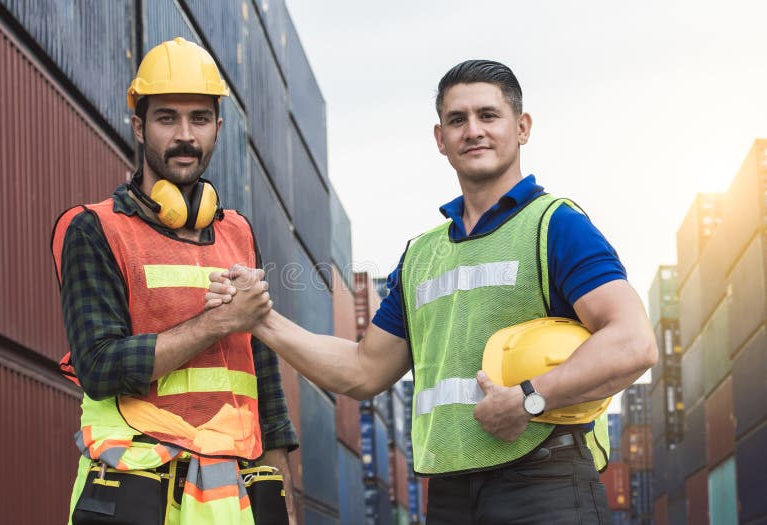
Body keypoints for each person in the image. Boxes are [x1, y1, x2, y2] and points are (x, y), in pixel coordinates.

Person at [209, 60, 657, 524]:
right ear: (440, 139)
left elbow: (633, 342)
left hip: (545, 484)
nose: (473, 131)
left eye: (489, 115)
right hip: (449, 494)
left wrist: (530, 398)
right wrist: (260, 319)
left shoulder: (555, 225)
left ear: (522, 128)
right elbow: (363, 371)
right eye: (457, 120)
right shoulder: (422, 255)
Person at [52, 37, 297, 525]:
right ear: (140, 127)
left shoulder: (239, 232)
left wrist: (284, 493)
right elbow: (100, 367)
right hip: (136, 491)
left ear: (218, 128)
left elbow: (262, 379)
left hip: (233, 498)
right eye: (167, 118)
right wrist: (216, 322)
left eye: (199, 119)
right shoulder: (94, 228)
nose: (185, 135)